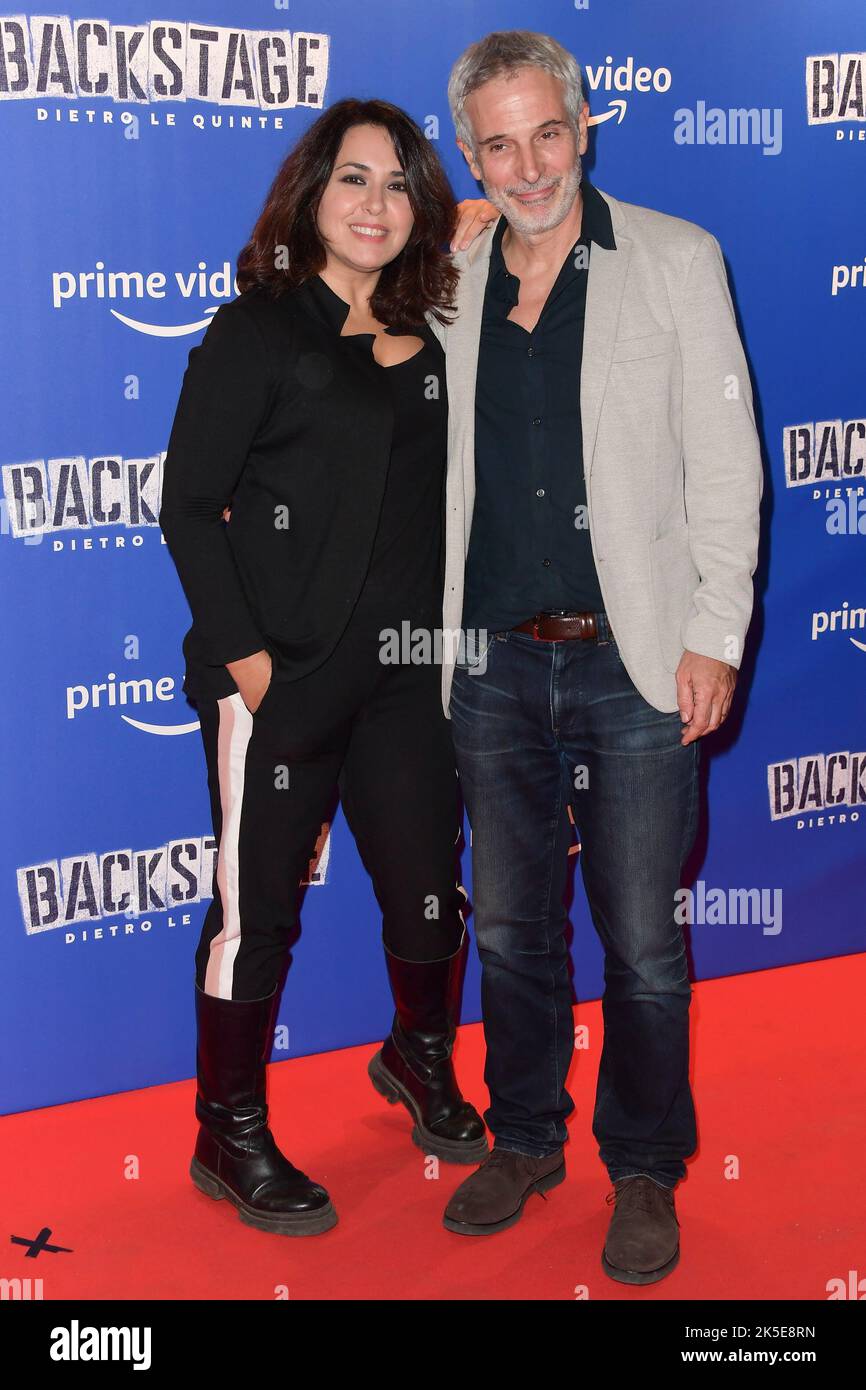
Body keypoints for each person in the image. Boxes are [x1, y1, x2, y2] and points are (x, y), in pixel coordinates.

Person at [429, 31, 763, 1284]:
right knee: (512, 927)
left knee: (638, 938)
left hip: (633, 667)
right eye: (497, 144)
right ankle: (522, 1137)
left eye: (545, 133)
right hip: (493, 669)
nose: (526, 165)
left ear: (584, 127)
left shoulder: (675, 259)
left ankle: (642, 1165)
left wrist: (709, 637)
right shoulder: (449, 274)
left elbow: (728, 470)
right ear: (468, 154)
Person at [159, 99, 496, 1237]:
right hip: (284, 679)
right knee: (259, 915)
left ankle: (414, 1054)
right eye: (352, 179)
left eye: (398, 184)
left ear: (421, 209)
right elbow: (189, 509)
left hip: (406, 676)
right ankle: (227, 1127)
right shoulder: (257, 331)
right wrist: (254, 671)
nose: (374, 203)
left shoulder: (433, 335)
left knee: (426, 889)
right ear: (310, 195)